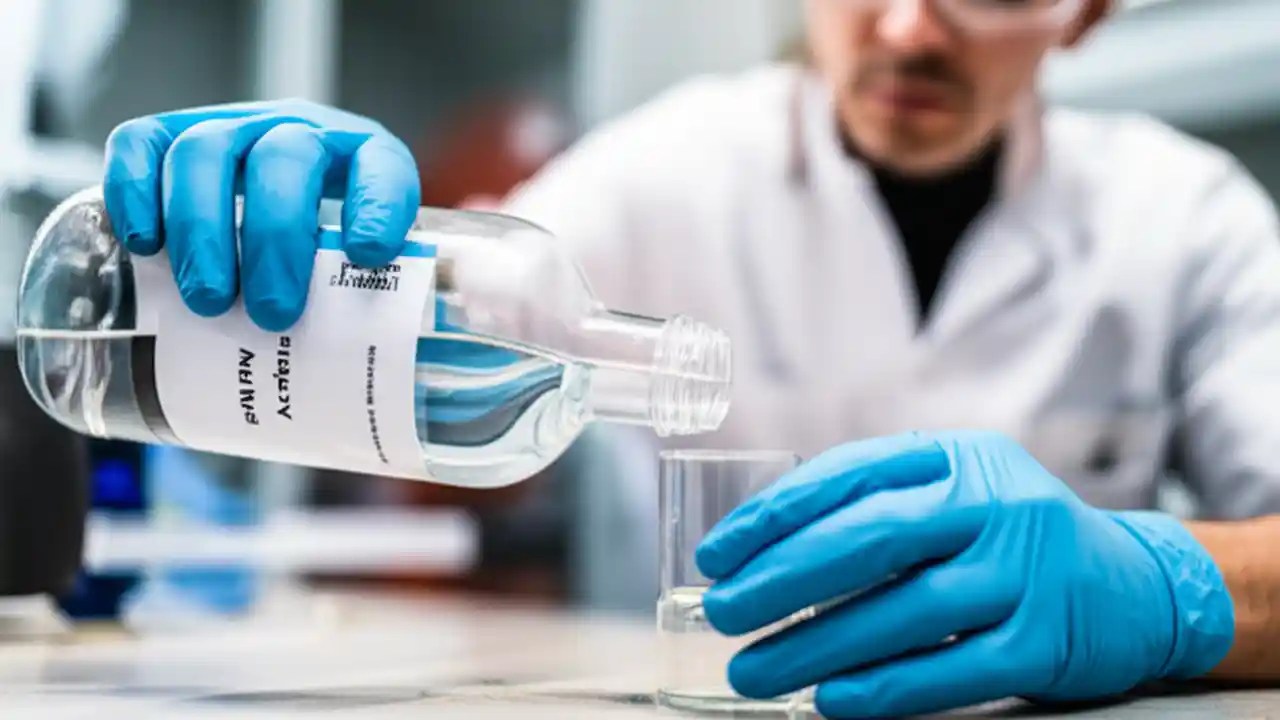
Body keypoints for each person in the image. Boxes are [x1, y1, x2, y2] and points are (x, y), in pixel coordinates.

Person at [100, 0, 1280, 716]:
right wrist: (318, 246)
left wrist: (1162, 585)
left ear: (1079, 14)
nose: (911, 27)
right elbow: (445, 306)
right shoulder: (664, 167)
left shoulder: (1185, 221)